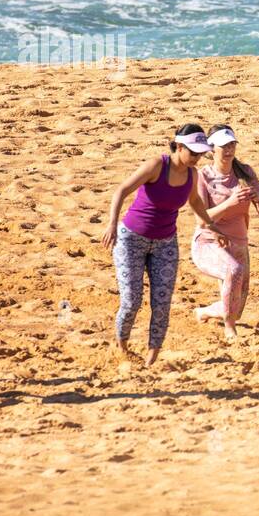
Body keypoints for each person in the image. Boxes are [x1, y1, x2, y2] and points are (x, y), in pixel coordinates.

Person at [101, 124, 230, 366]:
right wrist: (111, 225)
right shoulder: (156, 166)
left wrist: (212, 226)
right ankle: (122, 345)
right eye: (193, 152)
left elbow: (195, 203)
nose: (197, 158)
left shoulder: (192, 175)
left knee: (162, 303)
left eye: (201, 153)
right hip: (131, 239)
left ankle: (151, 359)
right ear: (179, 147)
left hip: (165, 243)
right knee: (131, 300)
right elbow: (122, 190)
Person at [190, 125, 259, 340]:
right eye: (223, 146)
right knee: (232, 271)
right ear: (211, 149)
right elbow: (201, 219)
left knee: (236, 305)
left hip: (239, 243)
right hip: (209, 242)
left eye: (232, 144)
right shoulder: (202, 176)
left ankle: (205, 312)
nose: (228, 150)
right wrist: (230, 203)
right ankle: (229, 329)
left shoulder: (245, 172)